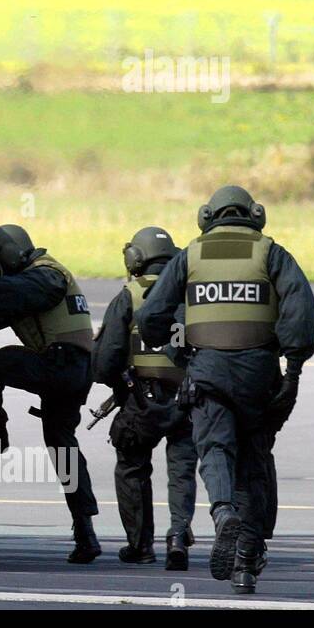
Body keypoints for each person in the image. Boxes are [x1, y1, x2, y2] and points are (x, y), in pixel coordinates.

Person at [138, 186, 314, 594]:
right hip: (259, 371)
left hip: (209, 370)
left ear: (207, 215)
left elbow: (152, 315)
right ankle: (246, 564)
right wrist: (292, 372)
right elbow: (301, 313)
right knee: (255, 460)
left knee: (215, 449)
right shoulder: (271, 252)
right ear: (255, 214)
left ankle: (222, 514)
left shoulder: (191, 254)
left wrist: (179, 351)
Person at [0, 225, 101, 563]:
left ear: (5, 254)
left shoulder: (46, 276)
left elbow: (10, 295)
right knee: (63, 447)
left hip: (60, 365)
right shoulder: (28, 289)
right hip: (75, 372)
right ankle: (85, 532)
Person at [90, 226, 197, 570]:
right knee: (182, 470)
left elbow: (105, 362)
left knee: (133, 466)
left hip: (141, 401)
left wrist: (118, 383)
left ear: (134, 259)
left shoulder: (129, 297)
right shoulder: (189, 294)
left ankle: (140, 545)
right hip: (185, 399)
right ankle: (178, 536)